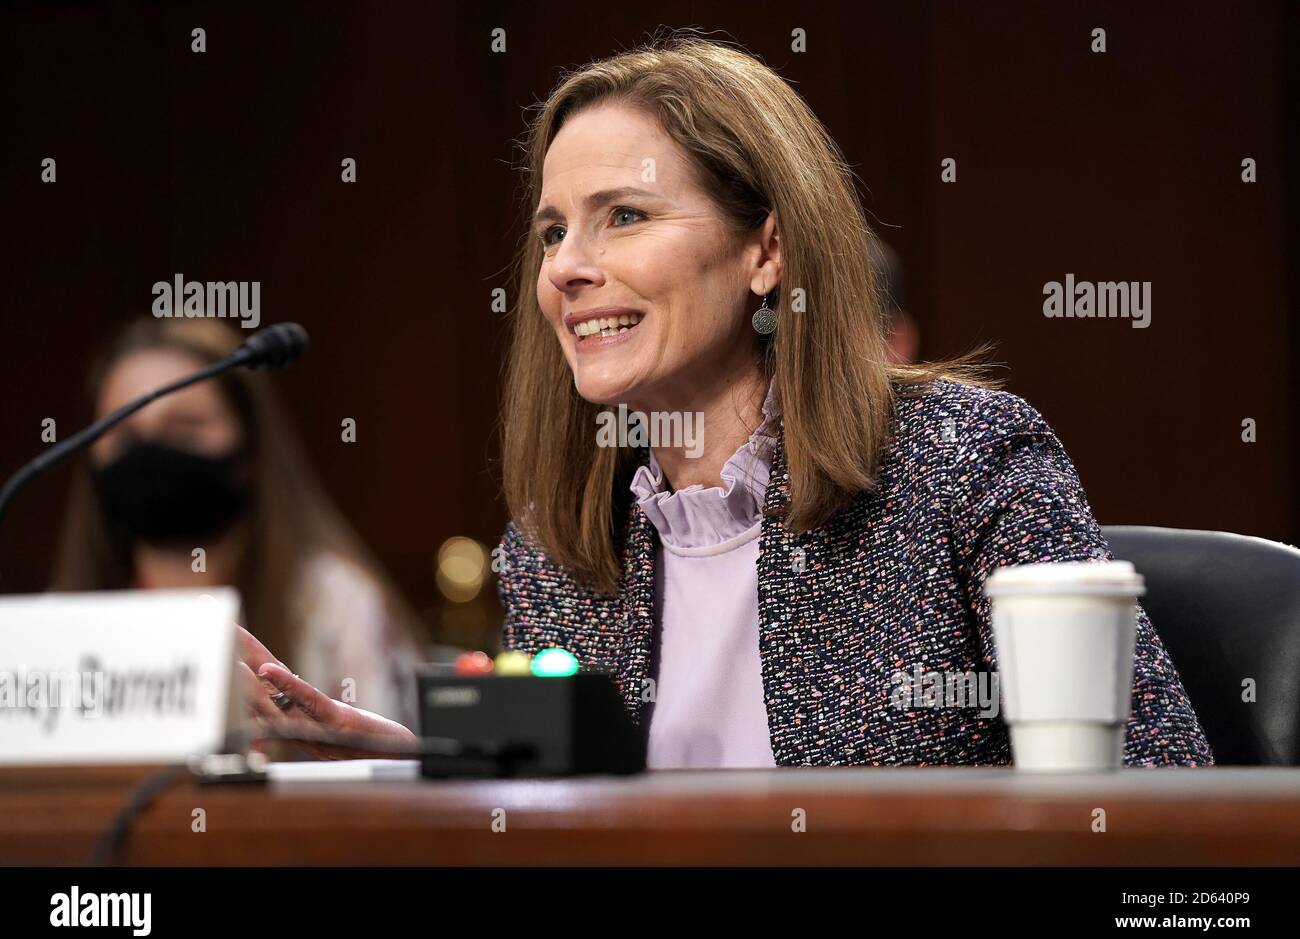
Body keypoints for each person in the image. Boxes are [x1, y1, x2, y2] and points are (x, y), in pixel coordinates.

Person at [243, 34, 1213, 768]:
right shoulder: (555, 548)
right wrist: (426, 768)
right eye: (551, 232)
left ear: (766, 251)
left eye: (623, 215)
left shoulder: (961, 458)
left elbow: (1165, 814)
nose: (567, 269)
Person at [51, 316, 427, 732]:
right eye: (125, 434)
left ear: (249, 445)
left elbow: (391, 777)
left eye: (186, 427)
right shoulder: (56, 623)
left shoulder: (334, 607)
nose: (151, 450)